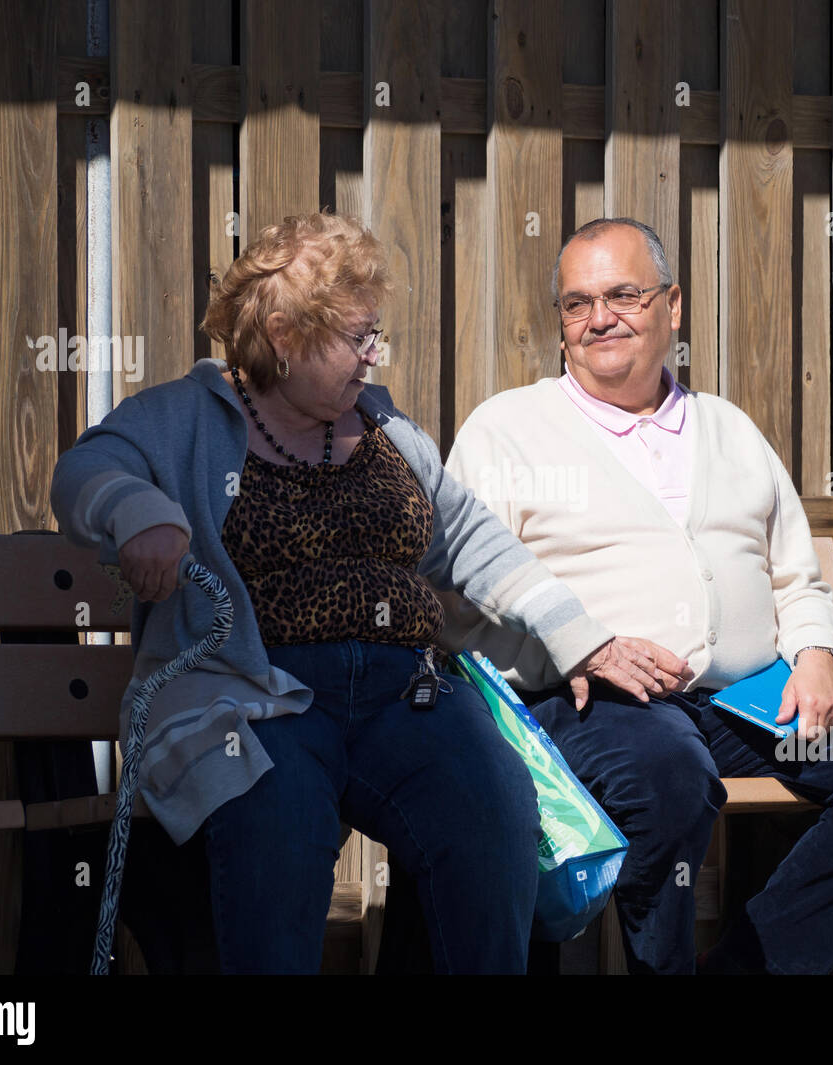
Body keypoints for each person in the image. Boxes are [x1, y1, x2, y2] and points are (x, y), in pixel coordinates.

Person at [49, 210, 687, 975]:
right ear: (283, 336)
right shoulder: (187, 415)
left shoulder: (386, 426)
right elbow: (86, 471)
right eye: (357, 337)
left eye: (374, 334)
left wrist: (583, 638)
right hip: (259, 693)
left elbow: (475, 543)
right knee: (273, 825)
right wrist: (139, 512)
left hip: (404, 693)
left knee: (496, 811)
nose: (373, 354)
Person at [439, 217, 833, 975]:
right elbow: (459, 584)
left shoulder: (728, 429)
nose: (600, 317)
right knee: (670, 779)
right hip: (590, 704)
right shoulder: (509, 429)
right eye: (577, 304)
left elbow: (794, 572)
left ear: (673, 306)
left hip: (742, 704)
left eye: (624, 294)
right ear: (560, 328)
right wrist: (575, 644)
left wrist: (815, 654)